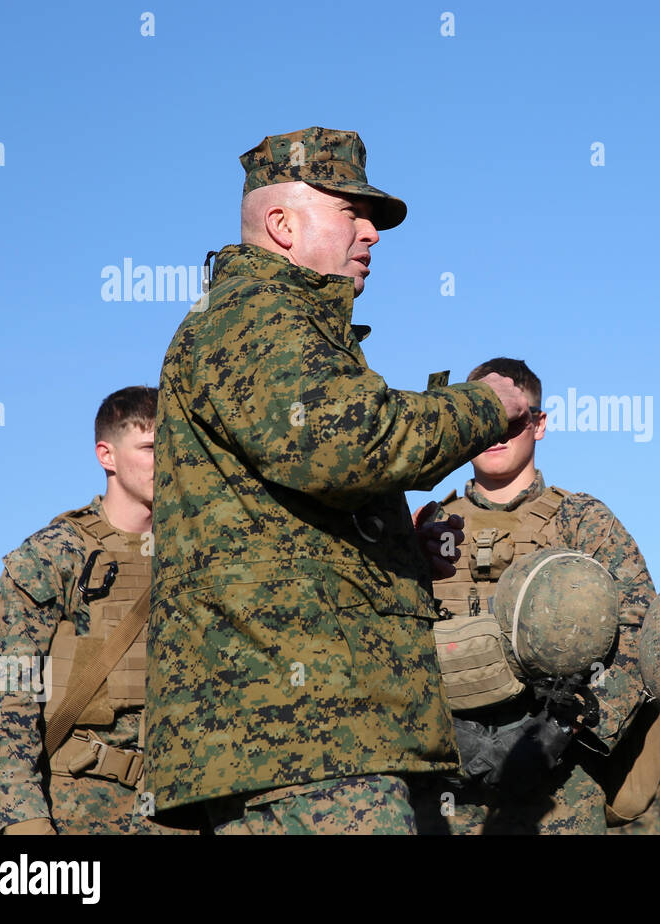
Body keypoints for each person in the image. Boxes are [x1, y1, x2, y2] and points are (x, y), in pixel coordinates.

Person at [146, 127, 527, 835]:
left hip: (313, 742)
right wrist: (485, 405)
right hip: (306, 744)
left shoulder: (272, 322)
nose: (370, 234)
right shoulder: (255, 315)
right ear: (281, 224)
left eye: (372, 219)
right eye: (350, 212)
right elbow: (348, 444)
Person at [410, 358, 654, 835]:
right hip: (445, 776)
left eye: (515, 421)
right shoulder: (428, 524)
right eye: (485, 418)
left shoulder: (583, 520)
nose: (498, 434)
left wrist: (566, 730)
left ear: (539, 425)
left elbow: (638, 630)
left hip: (557, 784)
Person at [0, 387, 184, 834]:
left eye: (175, 446)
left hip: (179, 817)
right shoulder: (54, 556)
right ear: (107, 455)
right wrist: (28, 827)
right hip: (73, 816)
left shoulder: (195, 558)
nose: (167, 459)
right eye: (149, 447)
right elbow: (0, 707)